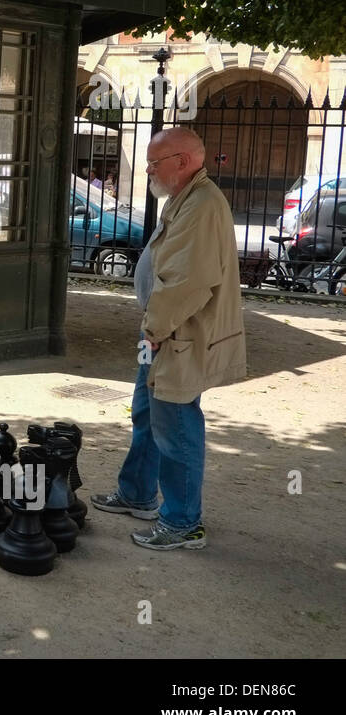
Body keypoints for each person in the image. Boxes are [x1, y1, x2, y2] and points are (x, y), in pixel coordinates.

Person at [92, 127, 246, 550]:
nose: (148, 171)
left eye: (154, 163)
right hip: (160, 334)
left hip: (176, 337)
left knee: (176, 425)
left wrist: (155, 330)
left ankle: (182, 523)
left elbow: (187, 283)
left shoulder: (202, 204)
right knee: (147, 413)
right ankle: (137, 493)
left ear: (183, 160)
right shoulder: (187, 197)